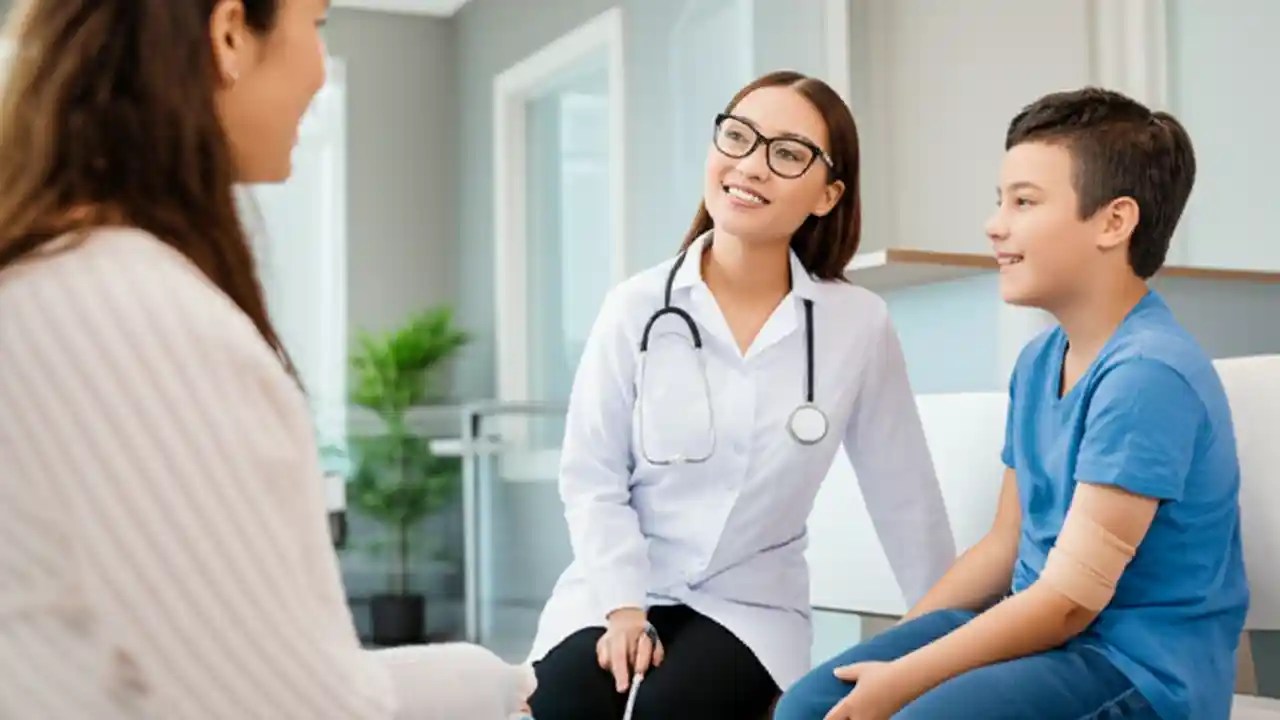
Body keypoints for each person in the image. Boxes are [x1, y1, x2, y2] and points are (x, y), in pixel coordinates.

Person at [0, 1, 532, 718]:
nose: (317, 70)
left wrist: (493, 679)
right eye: (316, 25)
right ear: (228, 35)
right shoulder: (135, 319)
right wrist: (492, 685)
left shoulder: (60, 284)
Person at [775, 87, 1250, 720]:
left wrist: (903, 682)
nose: (995, 224)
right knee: (810, 705)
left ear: (1114, 221)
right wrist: (898, 651)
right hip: (1048, 643)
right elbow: (1005, 545)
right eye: (1000, 201)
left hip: (1136, 673)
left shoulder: (1147, 376)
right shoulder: (1039, 362)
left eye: (1024, 202)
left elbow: (1070, 601)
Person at [524, 70, 957, 720]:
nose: (751, 165)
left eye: (787, 154)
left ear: (827, 194)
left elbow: (905, 497)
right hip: (614, 590)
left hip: (747, 606)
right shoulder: (636, 306)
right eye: (738, 137)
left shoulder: (856, 324)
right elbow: (591, 477)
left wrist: (943, 644)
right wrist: (622, 609)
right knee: (567, 707)